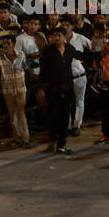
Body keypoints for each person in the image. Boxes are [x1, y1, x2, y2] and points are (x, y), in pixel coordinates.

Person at [38, 26, 76, 155]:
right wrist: (41, 88)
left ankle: (61, 144)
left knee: (65, 117)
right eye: (54, 35)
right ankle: (52, 141)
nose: (56, 38)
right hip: (53, 89)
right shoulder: (47, 51)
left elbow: (83, 56)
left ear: (65, 37)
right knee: (54, 116)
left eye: (59, 35)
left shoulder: (70, 49)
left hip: (68, 88)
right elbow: (43, 72)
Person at [0, 36, 30, 148]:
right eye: (4, 43)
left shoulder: (21, 54)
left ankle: (25, 139)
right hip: (7, 89)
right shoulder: (0, 56)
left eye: (8, 43)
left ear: (13, 44)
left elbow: (25, 68)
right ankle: (17, 138)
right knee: (12, 115)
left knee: (21, 113)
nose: (6, 45)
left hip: (20, 88)